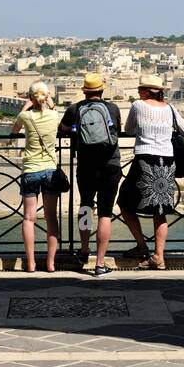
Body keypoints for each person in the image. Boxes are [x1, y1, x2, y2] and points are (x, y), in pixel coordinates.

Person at [117, 74, 184, 271]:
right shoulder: (170, 108)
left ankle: (142, 247)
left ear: (148, 91)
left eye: (141, 89)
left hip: (144, 160)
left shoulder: (138, 106)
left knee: (124, 203)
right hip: (166, 163)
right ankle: (159, 256)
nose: (138, 92)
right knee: (161, 210)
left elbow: (129, 129)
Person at [59, 72, 122, 277]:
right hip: (110, 165)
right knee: (105, 213)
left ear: (85, 91)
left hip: (86, 167)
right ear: (102, 90)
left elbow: (63, 128)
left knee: (86, 207)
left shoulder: (74, 109)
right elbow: (117, 131)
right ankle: (100, 263)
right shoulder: (112, 108)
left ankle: (84, 251)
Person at [11, 80, 60, 273]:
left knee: (29, 218)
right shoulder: (55, 115)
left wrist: (26, 104)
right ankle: (50, 263)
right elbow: (56, 115)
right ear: (47, 96)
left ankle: (30, 263)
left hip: (30, 170)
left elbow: (14, 130)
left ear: (31, 98)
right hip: (50, 171)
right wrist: (51, 103)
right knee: (51, 218)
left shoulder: (25, 116)